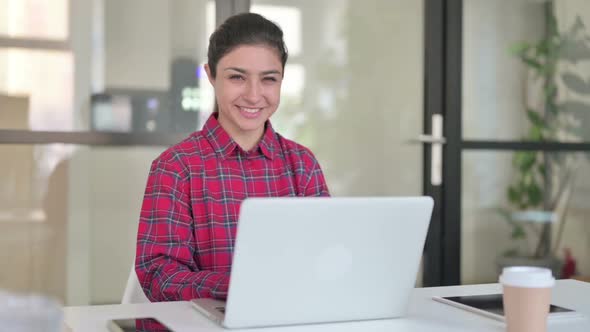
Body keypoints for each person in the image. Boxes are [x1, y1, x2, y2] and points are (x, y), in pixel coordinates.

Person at [135, 13, 330, 304]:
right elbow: (159, 276)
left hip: (288, 317)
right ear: (211, 76)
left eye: (269, 79)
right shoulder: (176, 167)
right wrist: (240, 286)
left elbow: (326, 254)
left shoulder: (302, 164)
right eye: (237, 77)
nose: (254, 95)